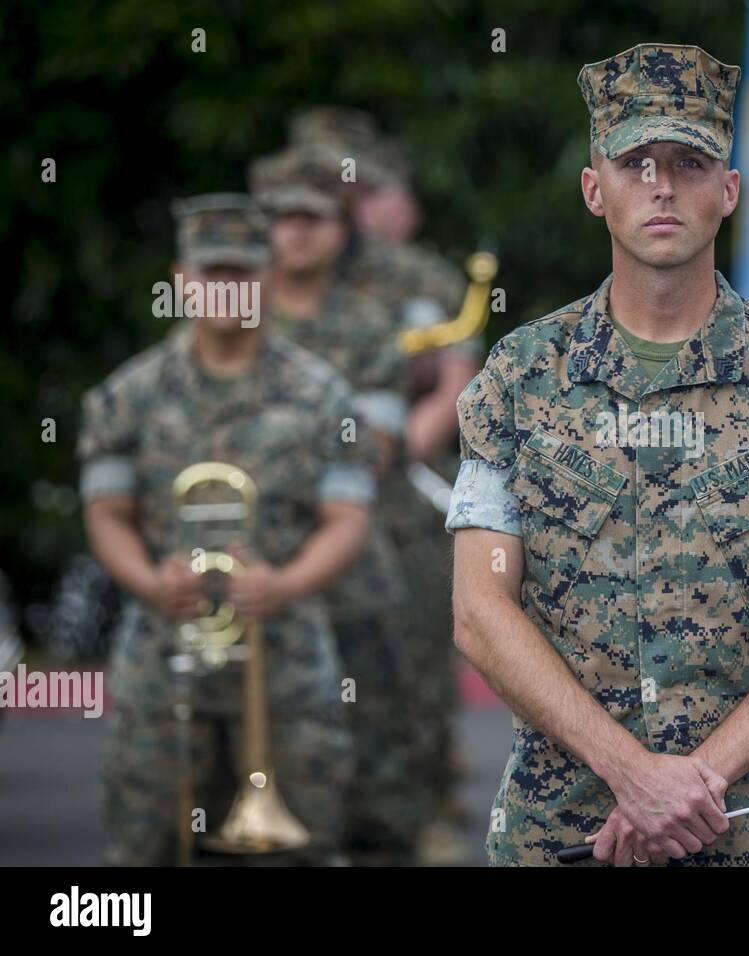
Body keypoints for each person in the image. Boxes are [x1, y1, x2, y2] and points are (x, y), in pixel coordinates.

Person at [447, 43, 749, 867]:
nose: (661, 185)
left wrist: (689, 784)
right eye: (635, 161)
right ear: (593, 189)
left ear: (729, 192)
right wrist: (631, 772)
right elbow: (480, 612)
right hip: (564, 831)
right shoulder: (517, 377)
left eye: (689, 162)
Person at [78, 194, 374, 865]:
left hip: (286, 664)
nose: (227, 291)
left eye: (242, 274)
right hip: (162, 662)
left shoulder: (324, 395)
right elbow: (105, 514)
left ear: (268, 281)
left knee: (302, 846)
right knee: (147, 848)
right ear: (181, 281)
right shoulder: (128, 396)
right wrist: (149, 579)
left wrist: (287, 582)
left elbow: (348, 517)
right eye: (213, 274)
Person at [290, 108, 481, 861]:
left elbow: (456, 385)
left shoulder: (415, 278)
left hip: (398, 490)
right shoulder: (278, 273)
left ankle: (421, 802)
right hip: (299, 495)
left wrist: (399, 451)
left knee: (411, 657)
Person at [249, 145, 424, 865]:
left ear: (339, 226)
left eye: (310, 218)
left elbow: (377, 446)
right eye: (280, 218)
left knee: (375, 746)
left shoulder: (367, 327)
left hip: (352, 563)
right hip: (247, 557)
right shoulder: (234, 320)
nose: (294, 233)